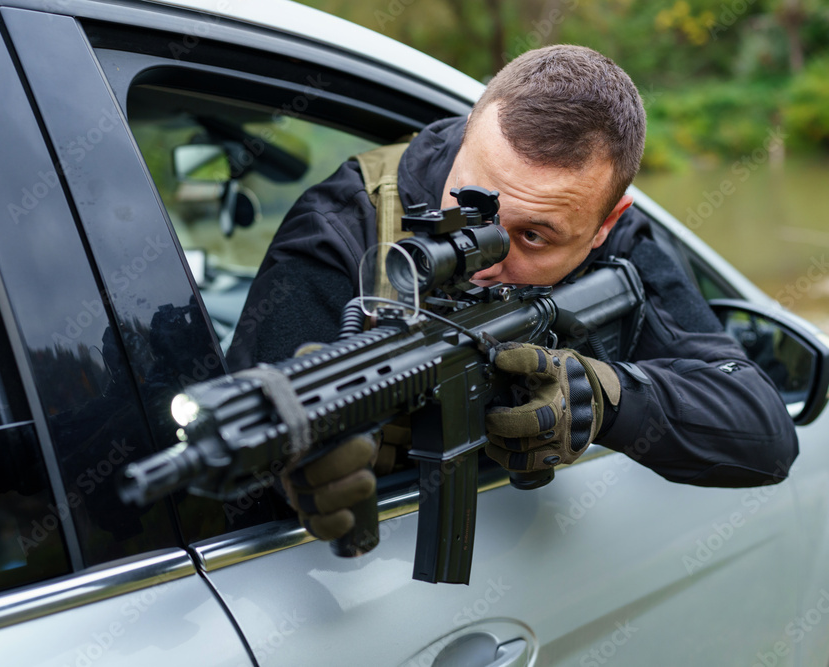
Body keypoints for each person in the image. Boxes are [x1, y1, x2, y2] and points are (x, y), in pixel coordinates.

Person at [226, 45, 799, 541]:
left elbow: (765, 433)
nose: (486, 259)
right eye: (470, 203)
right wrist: (306, 471)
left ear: (605, 224)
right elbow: (232, 499)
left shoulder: (613, 238)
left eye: (532, 236)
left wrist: (605, 399)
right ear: (465, 137)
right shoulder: (340, 230)